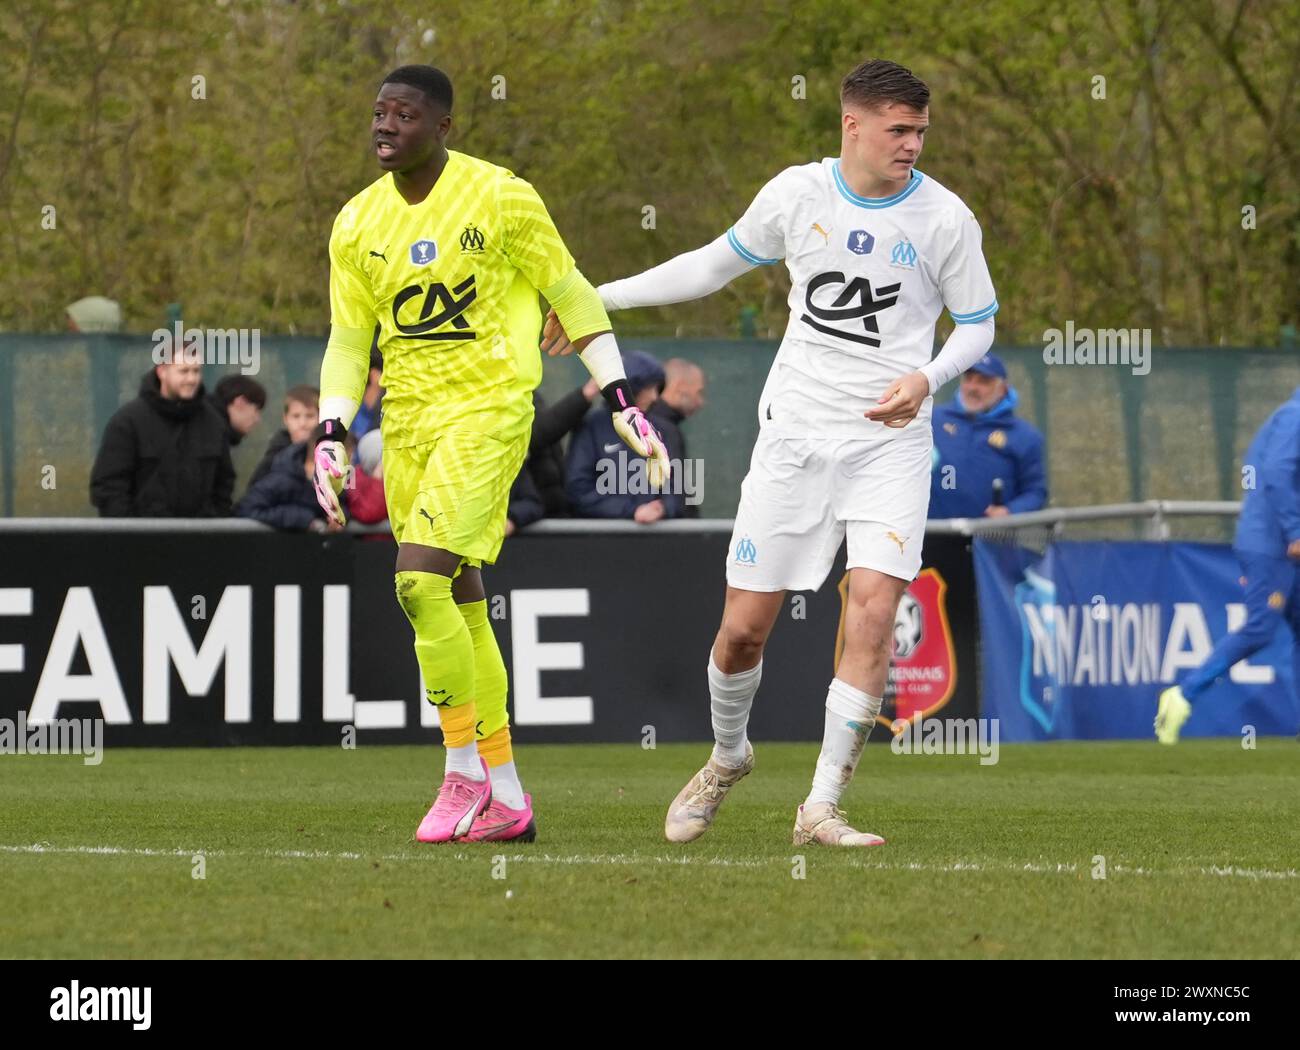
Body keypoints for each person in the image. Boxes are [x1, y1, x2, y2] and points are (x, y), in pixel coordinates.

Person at [544, 59, 998, 847]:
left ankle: (820, 806)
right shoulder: (797, 194)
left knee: (874, 610)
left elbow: (980, 325)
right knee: (743, 631)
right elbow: (710, 267)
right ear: (851, 124)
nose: (913, 145)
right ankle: (727, 757)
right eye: (899, 129)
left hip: (889, 446)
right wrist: (596, 298)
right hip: (794, 437)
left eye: (921, 131)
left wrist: (927, 377)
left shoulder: (947, 219)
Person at [310, 65, 668, 845]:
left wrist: (617, 399)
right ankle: (507, 796)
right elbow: (347, 339)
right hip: (407, 424)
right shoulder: (356, 223)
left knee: (415, 579)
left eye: (402, 115)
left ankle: (460, 772)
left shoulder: (502, 196)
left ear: (443, 127)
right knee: (460, 597)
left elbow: (571, 293)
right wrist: (333, 430)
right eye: (378, 113)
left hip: (489, 411)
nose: (384, 126)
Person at [1156, 387, 1300, 743]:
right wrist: (1295, 529)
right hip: (1273, 546)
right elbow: (1276, 473)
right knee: (1260, 628)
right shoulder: (1296, 415)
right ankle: (1183, 694)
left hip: (1275, 542)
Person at [90, 356, 235, 517]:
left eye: (196, 371)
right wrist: (128, 533)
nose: (192, 379)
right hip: (141, 538)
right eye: (183, 371)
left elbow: (224, 483)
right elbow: (109, 487)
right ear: (162, 371)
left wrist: (214, 526)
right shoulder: (128, 422)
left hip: (200, 539)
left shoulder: (213, 423)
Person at [927, 352, 1046, 519]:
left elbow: (1036, 492)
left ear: (1002, 389)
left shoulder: (1025, 436)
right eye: (968, 379)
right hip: (931, 535)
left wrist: (1010, 511)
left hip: (990, 539)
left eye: (984, 381)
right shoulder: (932, 420)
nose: (973, 388)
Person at [566, 352, 676, 523]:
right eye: (648, 388)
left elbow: (677, 485)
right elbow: (578, 489)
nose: (654, 396)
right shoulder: (591, 427)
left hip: (656, 541)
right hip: (601, 541)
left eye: (657, 388)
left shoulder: (662, 429)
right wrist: (632, 511)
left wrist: (663, 507)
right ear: (630, 387)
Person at [237, 437, 345, 533]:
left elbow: (345, 503)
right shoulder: (280, 481)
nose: (343, 472)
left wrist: (340, 516)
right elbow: (246, 508)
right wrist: (303, 519)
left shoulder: (337, 485)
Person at [648, 357, 707, 518]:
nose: (701, 402)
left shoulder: (655, 424)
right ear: (680, 386)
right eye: (699, 392)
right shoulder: (664, 430)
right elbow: (678, 494)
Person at [249, 385, 319, 489]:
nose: (302, 423)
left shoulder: (332, 453)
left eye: (310, 416)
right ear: (285, 418)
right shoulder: (274, 457)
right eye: (296, 416)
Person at [209, 374, 267, 451]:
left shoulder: (215, 435)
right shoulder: (207, 438)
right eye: (256, 410)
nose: (257, 420)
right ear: (240, 402)